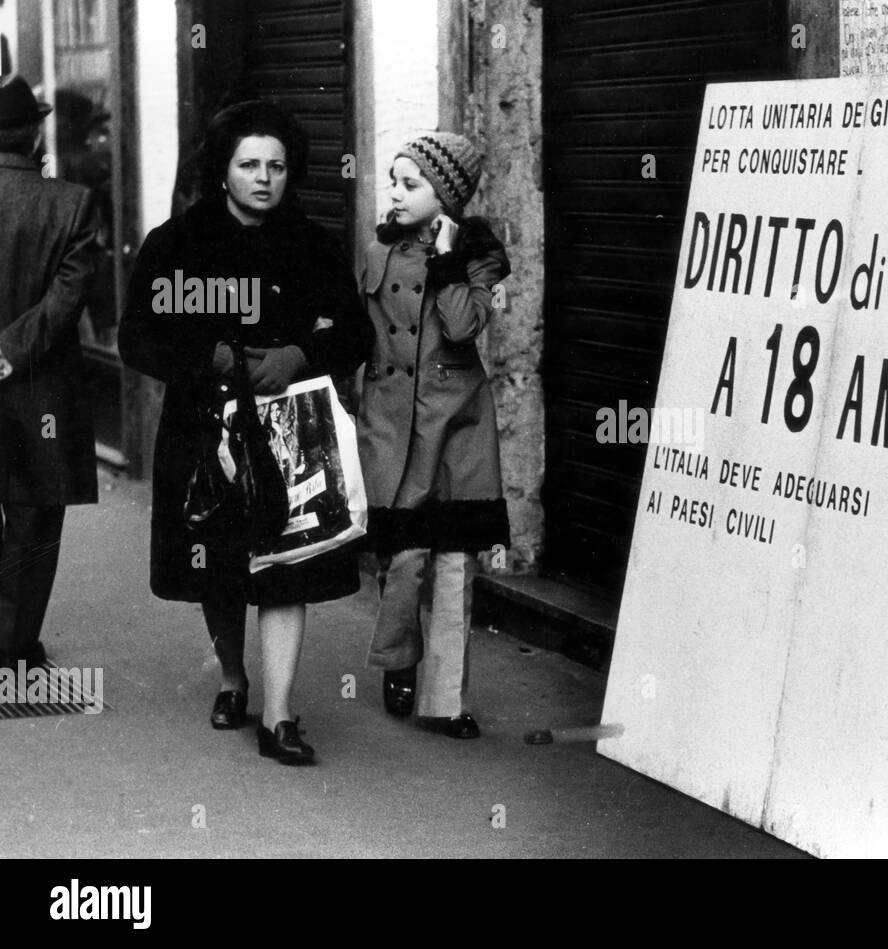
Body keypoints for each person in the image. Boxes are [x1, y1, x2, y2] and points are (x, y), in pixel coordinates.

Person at [118, 100, 372, 764]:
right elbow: (136, 337)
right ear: (223, 169)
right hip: (204, 427)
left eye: (277, 166)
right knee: (220, 564)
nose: (265, 178)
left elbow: (353, 329)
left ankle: (280, 715)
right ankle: (234, 677)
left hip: (291, 430)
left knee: (287, 564)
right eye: (250, 164)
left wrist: (299, 355)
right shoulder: (176, 244)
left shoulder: (312, 244)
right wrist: (207, 359)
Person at [357, 133, 511, 738]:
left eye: (409, 183)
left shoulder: (480, 256)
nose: (394, 193)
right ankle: (399, 659)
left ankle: (446, 700)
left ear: (444, 195)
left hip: (457, 428)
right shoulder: (376, 252)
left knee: (453, 560)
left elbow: (462, 325)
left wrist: (447, 259)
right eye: (392, 180)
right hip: (392, 424)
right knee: (404, 557)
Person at [0, 74, 99, 671]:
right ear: (34, 134)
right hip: (40, 389)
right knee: (34, 516)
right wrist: (10, 348)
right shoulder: (72, 202)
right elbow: (69, 297)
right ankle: (14, 647)